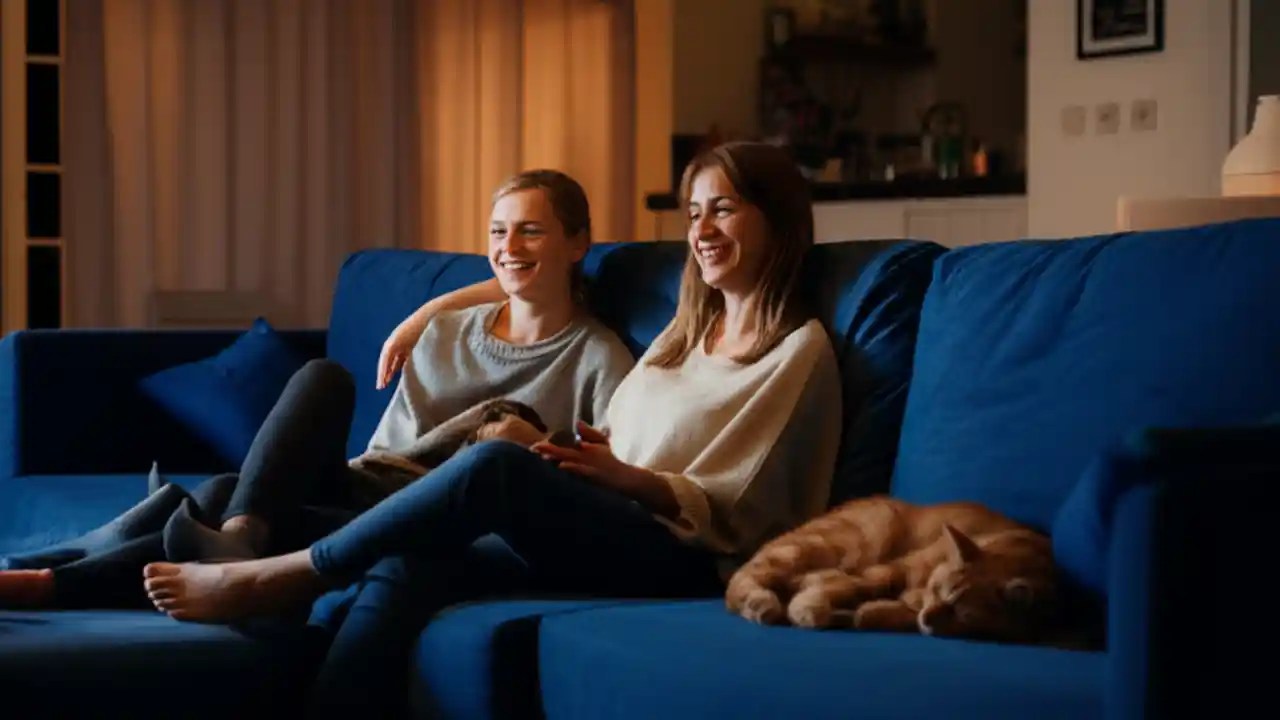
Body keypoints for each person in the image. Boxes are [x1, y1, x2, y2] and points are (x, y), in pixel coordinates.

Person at [140, 144, 843, 718]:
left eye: (724, 209)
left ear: (777, 218)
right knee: (412, 559)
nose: (702, 230)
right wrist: (579, 454)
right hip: (603, 509)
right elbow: (540, 285)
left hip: (677, 556)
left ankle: (282, 577)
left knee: (493, 463)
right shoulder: (683, 334)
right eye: (693, 213)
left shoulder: (796, 351)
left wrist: (630, 479)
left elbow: (748, 508)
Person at [0, 169, 635, 611]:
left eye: (531, 231)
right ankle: (240, 536)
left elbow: (601, 481)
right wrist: (427, 313)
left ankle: (52, 585)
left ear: (578, 243)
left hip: (433, 517)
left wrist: (533, 445)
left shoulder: (599, 357)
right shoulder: (447, 331)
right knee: (322, 378)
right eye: (498, 231)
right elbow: (387, 449)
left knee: (217, 493)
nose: (509, 247)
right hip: (368, 484)